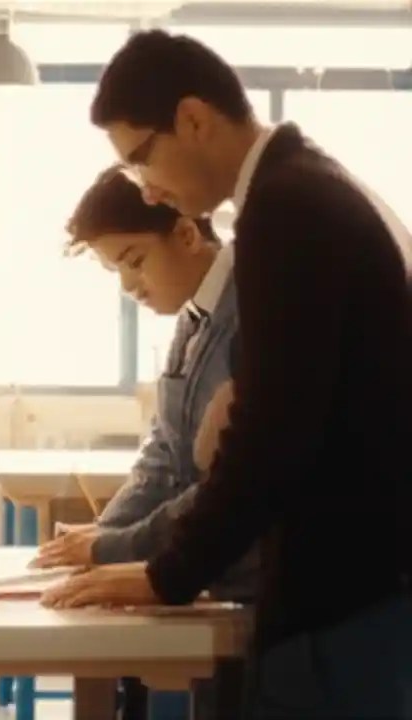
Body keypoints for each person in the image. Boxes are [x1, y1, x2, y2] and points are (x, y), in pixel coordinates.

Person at [40, 30, 412, 719]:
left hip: (341, 590)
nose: (147, 187)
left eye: (140, 160)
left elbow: (276, 432)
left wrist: (168, 573)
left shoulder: (286, 207)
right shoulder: (305, 186)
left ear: (193, 119)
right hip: (357, 583)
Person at [32, 165, 256, 603]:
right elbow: (162, 456)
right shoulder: (193, 319)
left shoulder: (250, 313)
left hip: (248, 579)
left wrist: (114, 546)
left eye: (134, 261)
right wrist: (102, 537)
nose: (129, 286)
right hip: (206, 567)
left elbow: (226, 482)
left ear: (187, 236)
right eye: (116, 270)